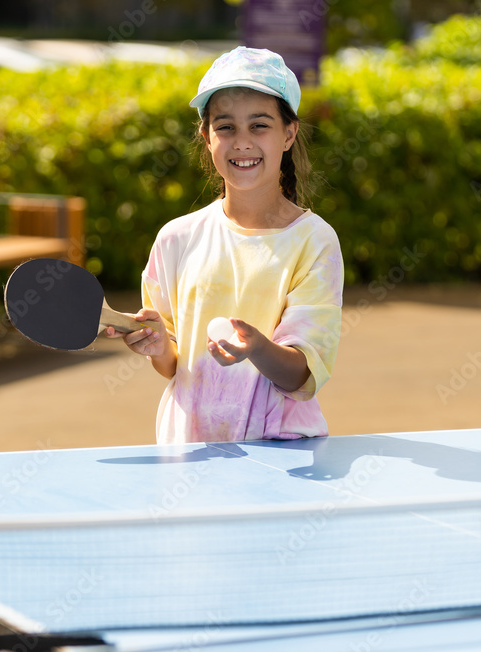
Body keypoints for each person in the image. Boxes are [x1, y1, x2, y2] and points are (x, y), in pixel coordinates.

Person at [106, 46, 343, 445]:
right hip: (193, 448)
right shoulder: (175, 238)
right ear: (206, 136)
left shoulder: (314, 240)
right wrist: (159, 346)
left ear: (289, 134)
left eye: (260, 125)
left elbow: (303, 375)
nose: (242, 142)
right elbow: (175, 365)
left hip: (283, 452)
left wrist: (257, 348)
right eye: (226, 127)